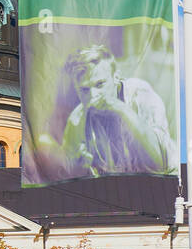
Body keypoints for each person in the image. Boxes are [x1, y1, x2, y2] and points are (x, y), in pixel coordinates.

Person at [60, 45, 173, 176]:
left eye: (100, 84)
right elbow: (69, 174)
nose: (93, 96)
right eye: (84, 90)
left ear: (116, 76)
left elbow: (161, 164)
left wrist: (121, 108)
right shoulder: (76, 121)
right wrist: (79, 167)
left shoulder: (140, 96)